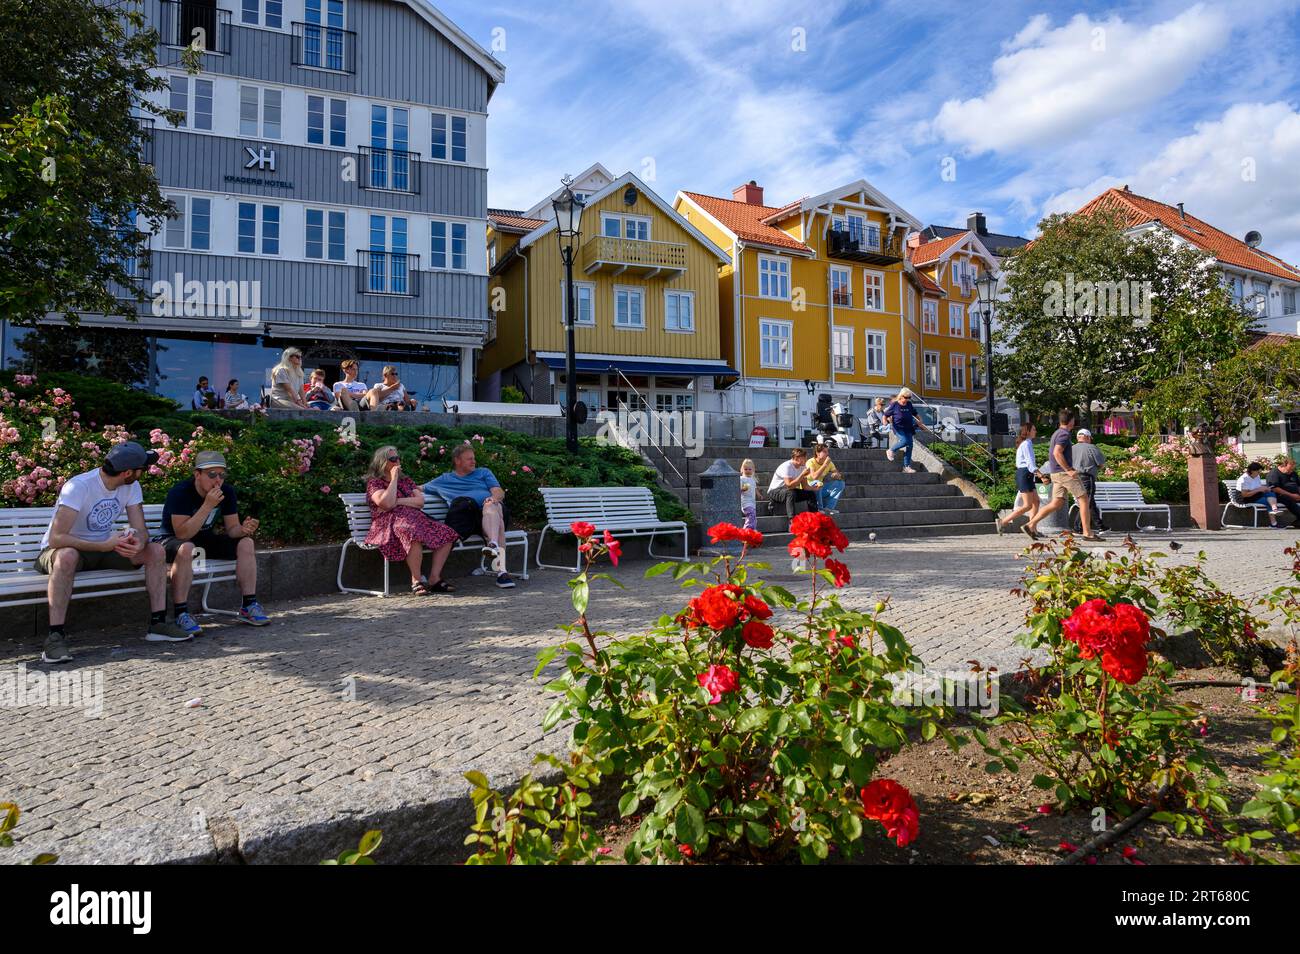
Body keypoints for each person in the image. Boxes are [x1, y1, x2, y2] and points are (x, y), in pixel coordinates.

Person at [34, 442, 191, 663]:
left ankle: (158, 624)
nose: (143, 472)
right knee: (67, 555)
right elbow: (56, 538)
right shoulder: (79, 486)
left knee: (155, 551)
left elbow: (141, 530)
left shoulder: (131, 486)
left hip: (105, 547)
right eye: (141, 469)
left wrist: (139, 542)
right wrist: (103, 546)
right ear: (128, 472)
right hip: (60, 550)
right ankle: (55, 637)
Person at [158, 450, 270, 633]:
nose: (218, 480)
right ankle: (181, 614)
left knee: (246, 543)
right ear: (197, 474)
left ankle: (248, 605)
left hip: (202, 541)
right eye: (211, 474)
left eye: (222, 474)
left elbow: (232, 529)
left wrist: (243, 530)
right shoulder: (180, 492)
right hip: (171, 541)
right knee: (187, 547)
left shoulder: (226, 492)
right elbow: (182, 533)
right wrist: (207, 506)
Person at [366, 445, 459, 593]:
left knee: (447, 534)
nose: (397, 461)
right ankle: (416, 581)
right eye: (393, 459)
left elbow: (420, 502)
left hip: (416, 519)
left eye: (398, 458)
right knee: (412, 533)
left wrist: (398, 501)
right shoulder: (375, 483)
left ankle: (434, 578)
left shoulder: (407, 481)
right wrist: (394, 479)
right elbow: (386, 503)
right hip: (389, 523)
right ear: (382, 462)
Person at [423, 443, 514, 588]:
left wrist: (494, 498)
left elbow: (498, 491)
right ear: (457, 461)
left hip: (488, 513)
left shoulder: (484, 472)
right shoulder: (445, 479)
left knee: (492, 508)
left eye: (474, 459)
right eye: (469, 459)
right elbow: (418, 488)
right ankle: (501, 571)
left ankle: (493, 545)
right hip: (464, 517)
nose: (474, 462)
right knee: (497, 523)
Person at [1024, 409, 1102, 542]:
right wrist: (1069, 469)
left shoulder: (1057, 433)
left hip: (1056, 473)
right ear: (1071, 421)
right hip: (1064, 473)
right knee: (1083, 499)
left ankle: (1030, 524)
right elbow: (1057, 453)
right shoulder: (1064, 434)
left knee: (1056, 503)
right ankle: (1087, 533)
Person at [997, 422, 1041, 534]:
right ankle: (1003, 522)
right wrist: (1039, 473)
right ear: (1028, 431)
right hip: (1025, 473)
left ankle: (1032, 527)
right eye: (1034, 429)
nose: (1035, 431)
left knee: (1036, 501)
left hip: (1026, 474)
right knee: (1027, 505)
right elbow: (1030, 463)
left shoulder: (1027, 443)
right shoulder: (1026, 444)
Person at [883, 388, 933, 473]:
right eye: (906, 397)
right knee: (904, 440)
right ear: (901, 396)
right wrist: (884, 422)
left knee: (910, 446)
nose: (907, 399)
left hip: (908, 428)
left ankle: (906, 467)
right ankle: (891, 450)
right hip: (898, 427)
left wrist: (920, 420)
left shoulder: (909, 404)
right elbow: (886, 414)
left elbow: (915, 413)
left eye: (909, 397)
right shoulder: (895, 405)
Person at [1070, 428, 1109, 533]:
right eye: (1090, 438)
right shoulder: (1092, 448)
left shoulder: (1071, 448)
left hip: (1073, 478)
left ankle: (1083, 527)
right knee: (1087, 502)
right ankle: (1093, 526)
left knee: (1084, 502)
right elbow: (1100, 464)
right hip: (1087, 477)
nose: (1090, 440)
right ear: (1087, 437)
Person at [767, 447, 818, 518]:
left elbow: (805, 487)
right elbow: (789, 486)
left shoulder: (802, 467)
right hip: (775, 491)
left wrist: (814, 488)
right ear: (796, 459)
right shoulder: (787, 466)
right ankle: (792, 520)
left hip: (788, 492)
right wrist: (802, 474)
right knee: (790, 493)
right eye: (804, 458)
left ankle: (815, 517)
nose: (806, 460)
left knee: (810, 494)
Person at [1237, 462, 1285, 527]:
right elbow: (1244, 495)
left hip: (1255, 495)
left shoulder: (1256, 476)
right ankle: (1274, 524)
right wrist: (1259, 489)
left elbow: (1257, 487)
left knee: (1270, 492)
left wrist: (1265, 489)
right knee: (1268, 501)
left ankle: (1274, 508)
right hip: (1245, 498)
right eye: (1258, 472)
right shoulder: (1244, 479)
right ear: (1252, 471)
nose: (1259, 474)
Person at [807, 443, 845, 515]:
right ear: (817, 453)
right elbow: (814, 477)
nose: (827, 453)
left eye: (827, 451)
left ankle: (829, 508)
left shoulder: (829, 463)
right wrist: (825, 465)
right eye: (824, 452)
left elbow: (839, 475)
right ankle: (820, 508)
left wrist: (836, 475)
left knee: (841, 483)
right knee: (817, 482)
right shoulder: (811, 462)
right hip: (809, 488)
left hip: (820, 488)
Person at [1267, 456, 1300, 524]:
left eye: (1292, 469)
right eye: (1289, 470)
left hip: (1295, 495)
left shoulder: (1293, 473)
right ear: (1283, 465)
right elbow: (1275, 488)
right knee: (1288, 499)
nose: (1291, 471)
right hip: (1280, 496)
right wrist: (1292, 495)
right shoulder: (1274, 473)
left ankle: (1297, 522)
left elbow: (1299, 485)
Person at [739, 458, 758, 531]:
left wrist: (759, 494)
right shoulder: (742, 479)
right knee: (751, 515)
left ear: (753, 470)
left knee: (753, 516)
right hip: (745, 502)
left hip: (752, 502)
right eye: (746, 469)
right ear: (742, 469)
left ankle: (752, 529)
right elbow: (738, 490)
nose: (747, 471)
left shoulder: (753, 479)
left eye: (749, 469)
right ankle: (746, 530)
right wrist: (743, 489)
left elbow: (755, 488)